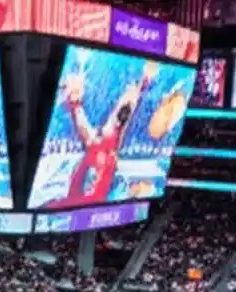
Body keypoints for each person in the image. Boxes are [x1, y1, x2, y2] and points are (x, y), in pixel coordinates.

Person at [51, 61, 158, 208]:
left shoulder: (104, 143)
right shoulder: (103, 143)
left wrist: (142, 85)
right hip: (81, 202)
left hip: (82, 203)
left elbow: (119, 116)